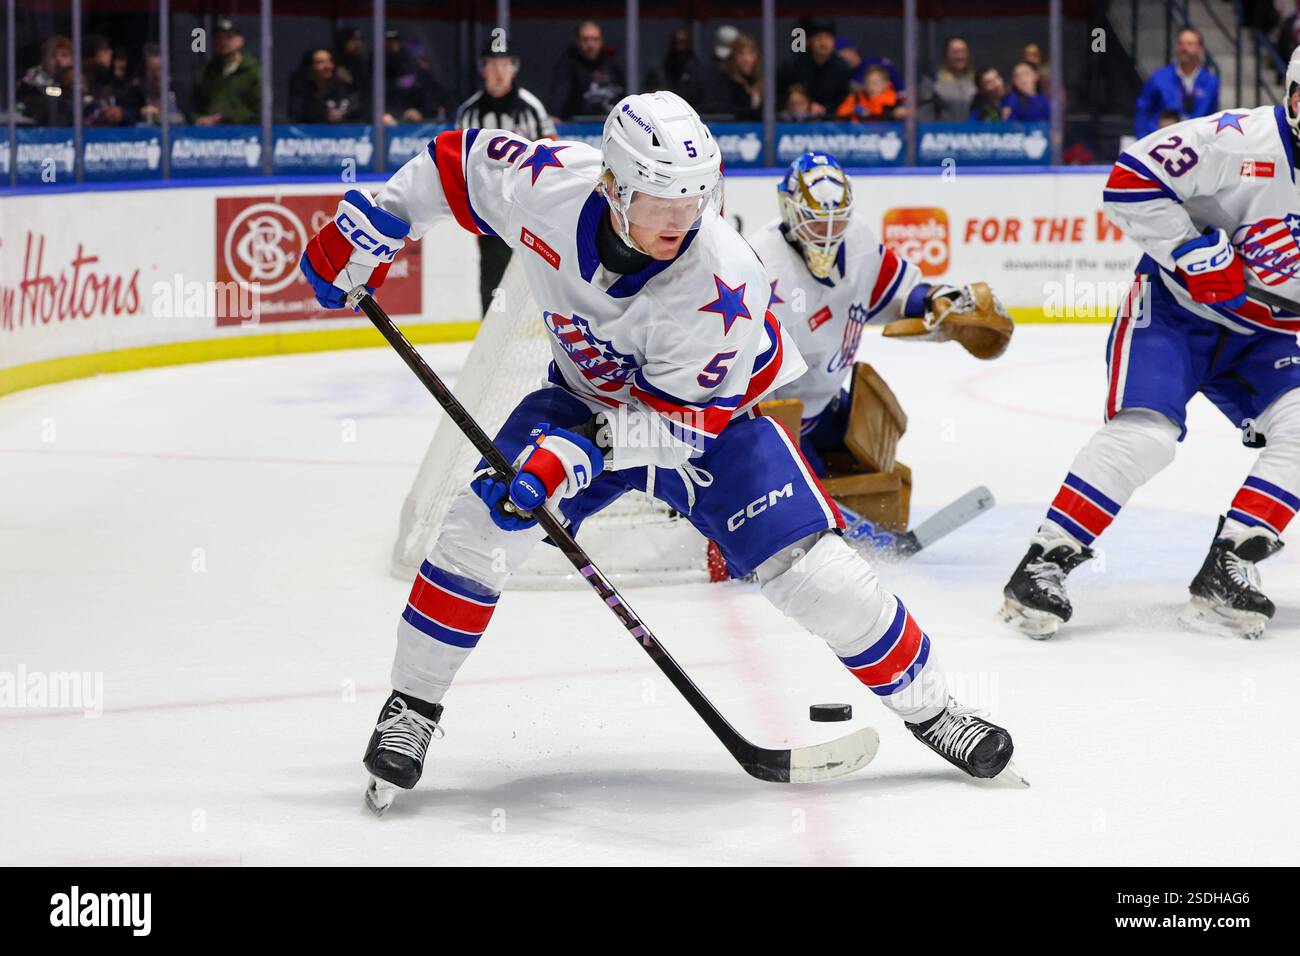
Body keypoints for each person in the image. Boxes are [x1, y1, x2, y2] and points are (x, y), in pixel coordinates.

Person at [296, 91, 1018, 809]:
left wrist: (566, 460)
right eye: (661, 200)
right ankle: (411, 710)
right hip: (579, 399)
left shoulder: (722, 280)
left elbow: (672, 431)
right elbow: (452, 165)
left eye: (695, 198)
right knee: (478, 530)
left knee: (813, 571)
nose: (682, 218)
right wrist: (375, 224)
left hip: (713, 422)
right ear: (612, 187)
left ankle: (935, 711)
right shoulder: (547, 184)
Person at [1001, 54, 1300, 641]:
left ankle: (1227, 568)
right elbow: (1130, 177)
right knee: (1148, 436)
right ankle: (1043, 562)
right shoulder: (1238, 140)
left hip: (1266, 335)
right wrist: (1188, 249)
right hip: (1174, 311)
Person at [750, 150, 1013, 493]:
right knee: (804, 496)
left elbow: (897, 293)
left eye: (838, 220)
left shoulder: (858, 237)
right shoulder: (759, 266)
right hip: (776, 422)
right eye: (815, 221)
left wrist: (939, 300)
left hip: (826, 405)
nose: (828, 234)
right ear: (789, 209)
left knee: (876, 453)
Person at [455, 43, 556, 317]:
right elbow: (460, 165)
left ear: (514, 69)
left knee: (545, 273)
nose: (499, 72)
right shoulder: (469, 113)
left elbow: (553, 155)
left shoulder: (531, 108)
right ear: (483, 69)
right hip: (491, 212)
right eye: (493, 65)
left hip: (531, 208)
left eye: (504, 65)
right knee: (493, 277)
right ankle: (492, 338)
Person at [1133, 27, 1219, 138]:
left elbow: (1212, 118)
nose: (1184, 48)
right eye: (1180, 44)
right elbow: (1143, 111)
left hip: (1195, 145)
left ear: (1200, 49)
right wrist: (1143, 142)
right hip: (1161, 142)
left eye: (1189, 44)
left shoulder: (1211, 82)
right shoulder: (1159, 78)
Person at [549, 19, 626, 120]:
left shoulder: (612, 65)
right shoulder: (567, 65)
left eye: (595, 39)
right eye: (585, 39)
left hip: (609, 124)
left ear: (601, 42)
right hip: (576, 127)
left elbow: (624, 95)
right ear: (577, 42)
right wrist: (554, 115)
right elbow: (559, 93)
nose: (590, 44)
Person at [778, 16, 853, 117]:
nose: (824, 43)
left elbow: (845, 101)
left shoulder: (842, 68)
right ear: (809, 41)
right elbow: (779, 97)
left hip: (831, 122)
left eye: (828, 38)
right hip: (795, 121)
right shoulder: (792, 66)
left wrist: (825, 109)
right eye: (819, 38)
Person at [192, 18, 261, 126]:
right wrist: (199, 119)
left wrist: (229, 118)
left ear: (241, 40)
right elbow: (194, 105)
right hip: (208, 135)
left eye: (229, 37)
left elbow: (260, 111)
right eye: (218, 38)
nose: (223, 42)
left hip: (245, 135)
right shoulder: (205, 71)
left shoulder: (254, 71)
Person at [383, 30, 451, 125]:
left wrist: (420, 112)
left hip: (419, 125)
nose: (392, 46)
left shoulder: (416, 72)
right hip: (391, 122)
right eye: (388, 43)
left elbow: (439, 101)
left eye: (394, 42)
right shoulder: (379, 70)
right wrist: (393, 114)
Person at [288, 48, 363, 124]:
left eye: (330, 61)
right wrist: (324, 114)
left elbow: (357, 109)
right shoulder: (301, 89)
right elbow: (297, 114)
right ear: (310, 67)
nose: (327, 66)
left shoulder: (342, 86)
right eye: (320, 62)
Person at [644, 28, 708, 109]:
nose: (680, 48)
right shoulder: (659, 72)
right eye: (677, 43)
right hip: (665, 113)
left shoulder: (700, 72)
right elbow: (649, 97)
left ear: (689, 45)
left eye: (683, 43)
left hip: (693, 115)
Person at [18, 36, 75, 126]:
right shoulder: (34, 75)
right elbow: (42, 91)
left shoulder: (77, 77)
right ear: (43, 59)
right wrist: (63, 91)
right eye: (53, 55)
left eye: (64, 55)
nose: (58, 59)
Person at [918, 36, 976, 121]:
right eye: (955, 52)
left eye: (963, 52)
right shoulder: (934, 81)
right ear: (946, 55)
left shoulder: (976, 81)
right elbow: (924, 114)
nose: (960, 57)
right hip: (944, 132)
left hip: (974, 133)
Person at [711, 32, 762, 121]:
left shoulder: (763, 82)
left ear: (756, 56)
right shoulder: (724, 81)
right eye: (741, 54)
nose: (746, 59)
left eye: (750, 53)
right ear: (733, 56)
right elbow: (723, 110)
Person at [835, 64, 905, 122]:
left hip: (886, 136)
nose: (871, 86)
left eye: (875, 83)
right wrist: (853, 111)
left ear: (886, 84)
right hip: (861, 135)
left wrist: (898, 114)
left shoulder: (895, 102)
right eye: (868, 82)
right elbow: (840, 114)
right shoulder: (855, 99)